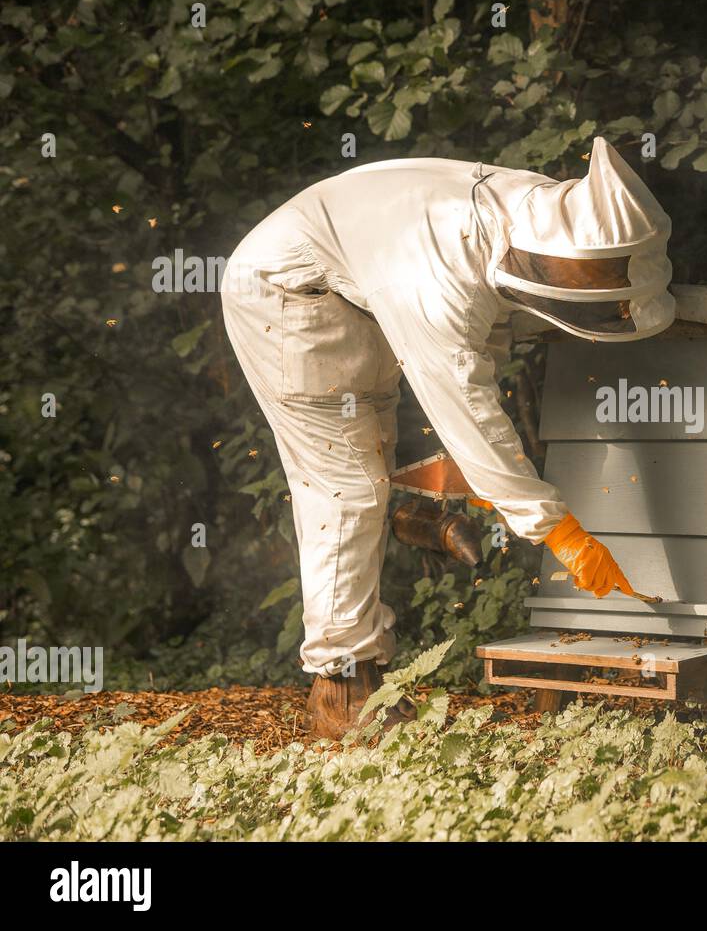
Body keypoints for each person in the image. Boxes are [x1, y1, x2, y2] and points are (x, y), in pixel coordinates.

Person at [219, 137, 673, 738]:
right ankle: (341, 687)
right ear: (561, 256)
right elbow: (461, 395)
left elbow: (481, 349)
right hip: (285, 289)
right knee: (344, 486)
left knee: (370, 461)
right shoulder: (439, 269)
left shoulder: (527, 213)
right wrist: (555, 528)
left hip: (344, 282)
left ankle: (409, 510)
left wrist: (493, 484)